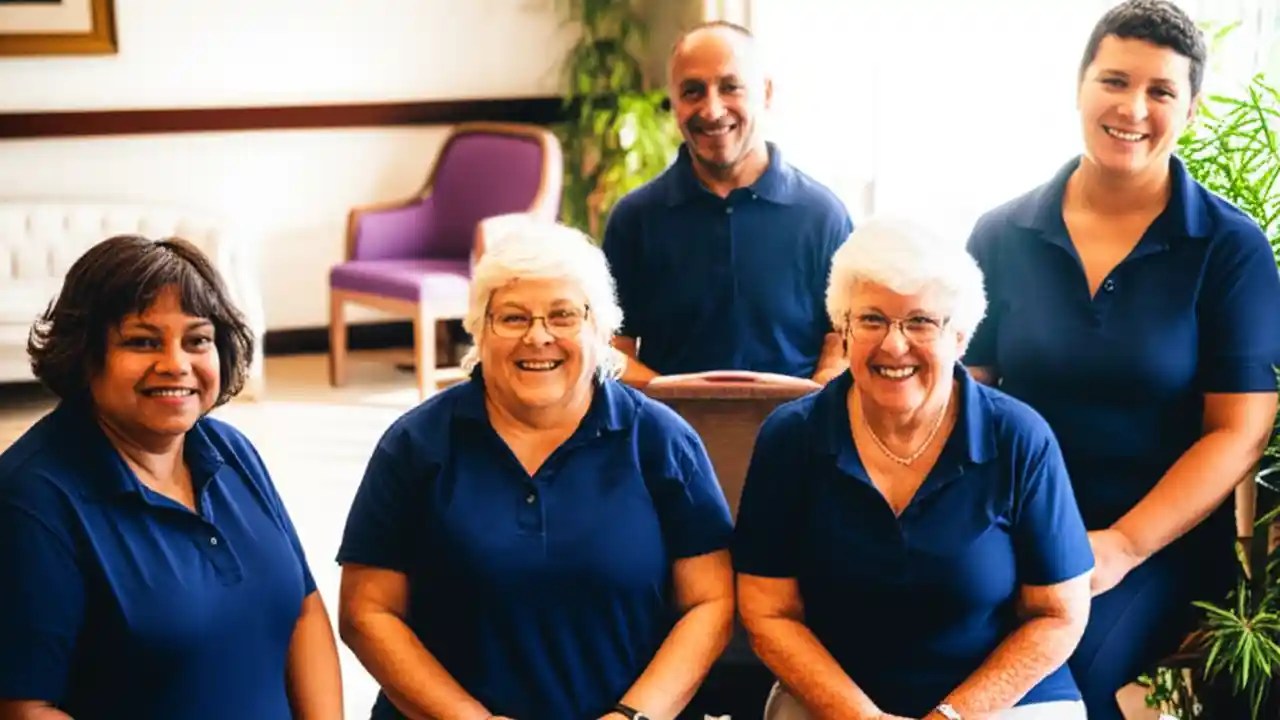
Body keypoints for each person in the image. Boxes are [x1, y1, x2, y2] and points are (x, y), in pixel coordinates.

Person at [963, 2, 1280, 717]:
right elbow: (966, 397)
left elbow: (1239, 431)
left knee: (1053, 674)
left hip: (1153, 544)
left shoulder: (1229, 248)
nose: (1133, 107)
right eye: (1114, 81)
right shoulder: (1001, 234)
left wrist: (1123, 546)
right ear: (1079, 87)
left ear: (1192, 110)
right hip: (1011, 529)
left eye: (1161, 91)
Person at [336, 221, 735, 720]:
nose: (538, 337)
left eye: (564, 316)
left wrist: (633, 717)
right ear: (479, 331)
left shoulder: (661, 441)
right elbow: (366, 612)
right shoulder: (415, 445)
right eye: (512, 318)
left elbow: (711, 602)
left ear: (601, 331)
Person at [733, 217, 1094, 720]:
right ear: (843, 330)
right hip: (833, 699)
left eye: (921, 321)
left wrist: (952, 716)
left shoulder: (1018, 437)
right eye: (872, 320)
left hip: (1000, 699)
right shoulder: (791, 438)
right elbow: (767, 611)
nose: (894, 345)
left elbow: (1058, 615)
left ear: (961, 337)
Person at [0, 235, 342, 720]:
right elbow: (24, 708)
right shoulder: (31, 500)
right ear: (84, 354)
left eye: (197, 340)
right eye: (142, 341)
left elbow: (304, 610)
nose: (176, 364)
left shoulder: (231, 450)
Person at [603, 20, 852, 389]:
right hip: (669, 439)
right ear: (672, 103)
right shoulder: (634, 219)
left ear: (765, 93)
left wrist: (809, 408)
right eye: (692, 91)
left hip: (798, 438)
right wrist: (675, 408)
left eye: (730, 87)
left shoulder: (823, 216)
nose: (713, 110)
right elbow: (609, 349)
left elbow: (845, 339)